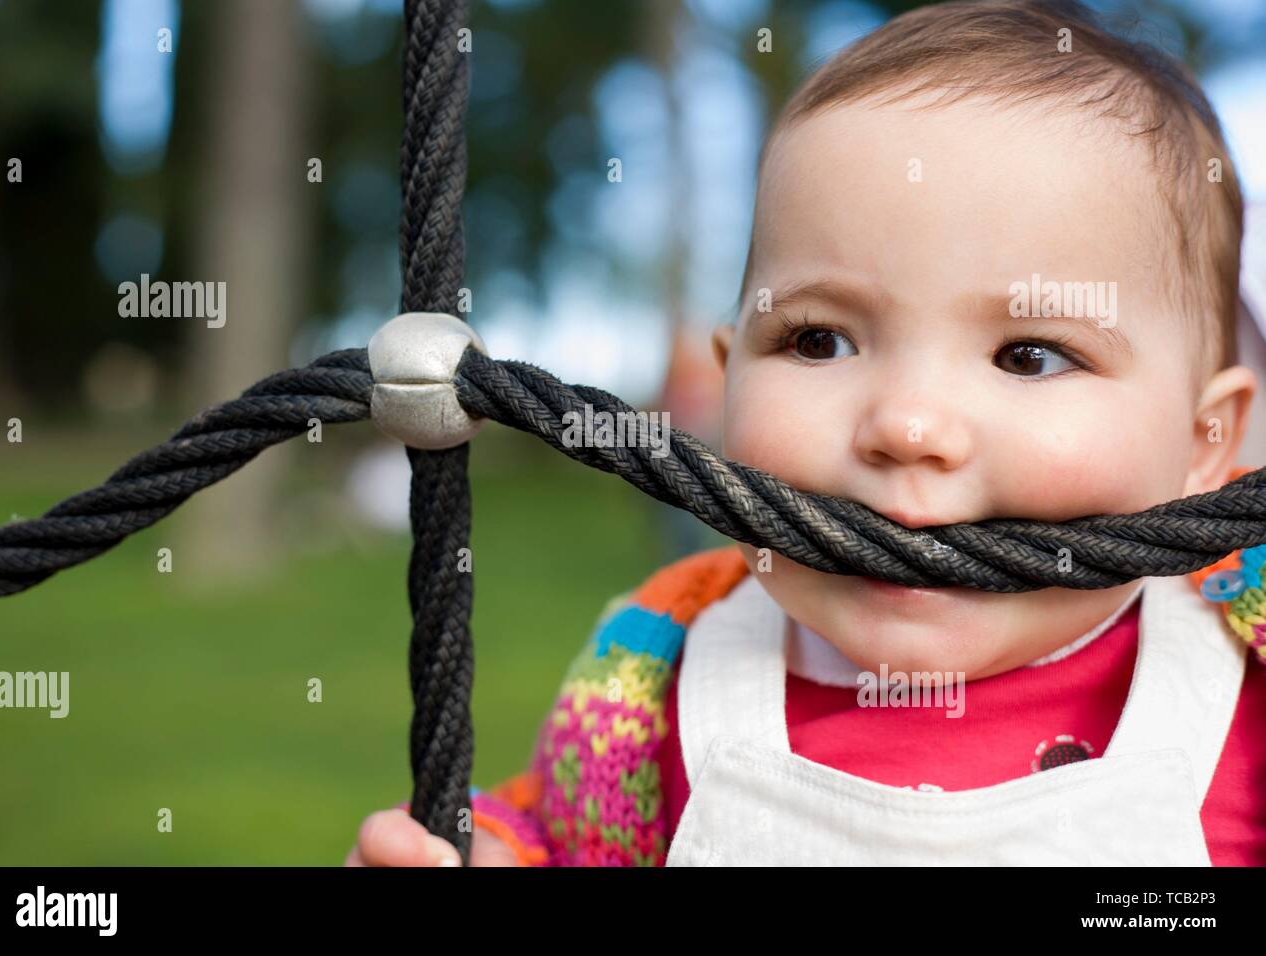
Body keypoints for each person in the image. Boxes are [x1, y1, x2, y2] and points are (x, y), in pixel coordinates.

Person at [345, 0, 1266, 867]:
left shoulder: (1242, 665)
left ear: (1204, 442)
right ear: (727, 374)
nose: (907, 427)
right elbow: (555, 832)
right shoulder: (656, 670)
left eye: (1029, 356)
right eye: (817, 341)